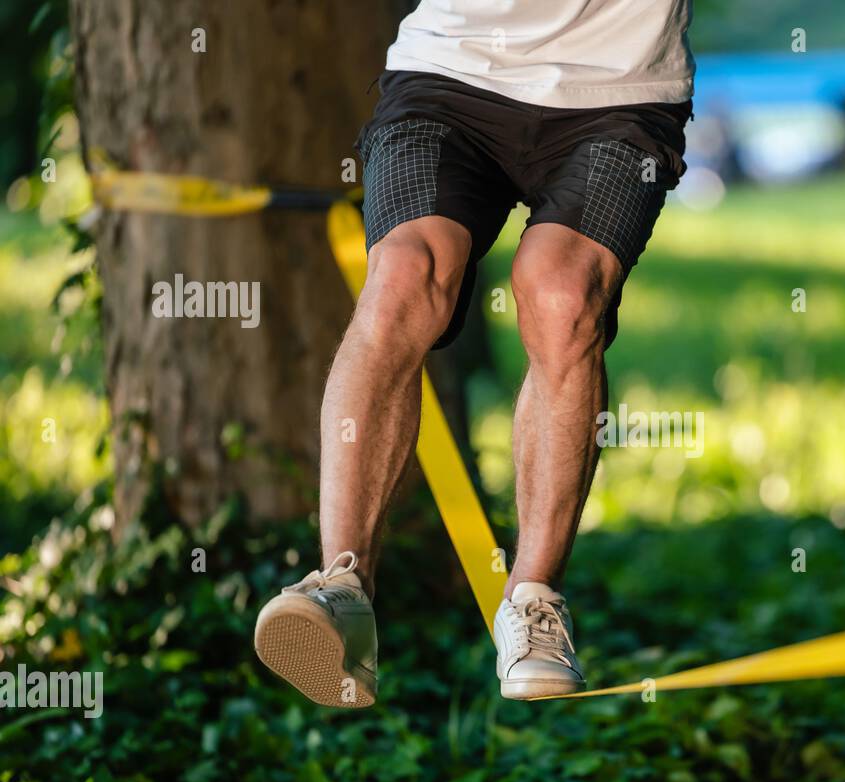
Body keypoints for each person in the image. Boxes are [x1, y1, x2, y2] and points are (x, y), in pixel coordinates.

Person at [253, 0, 695, 705]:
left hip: (618, 89)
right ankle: (341, 590)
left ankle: (535, 603)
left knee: (562, 294)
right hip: (448, 73)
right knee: (402, 280)